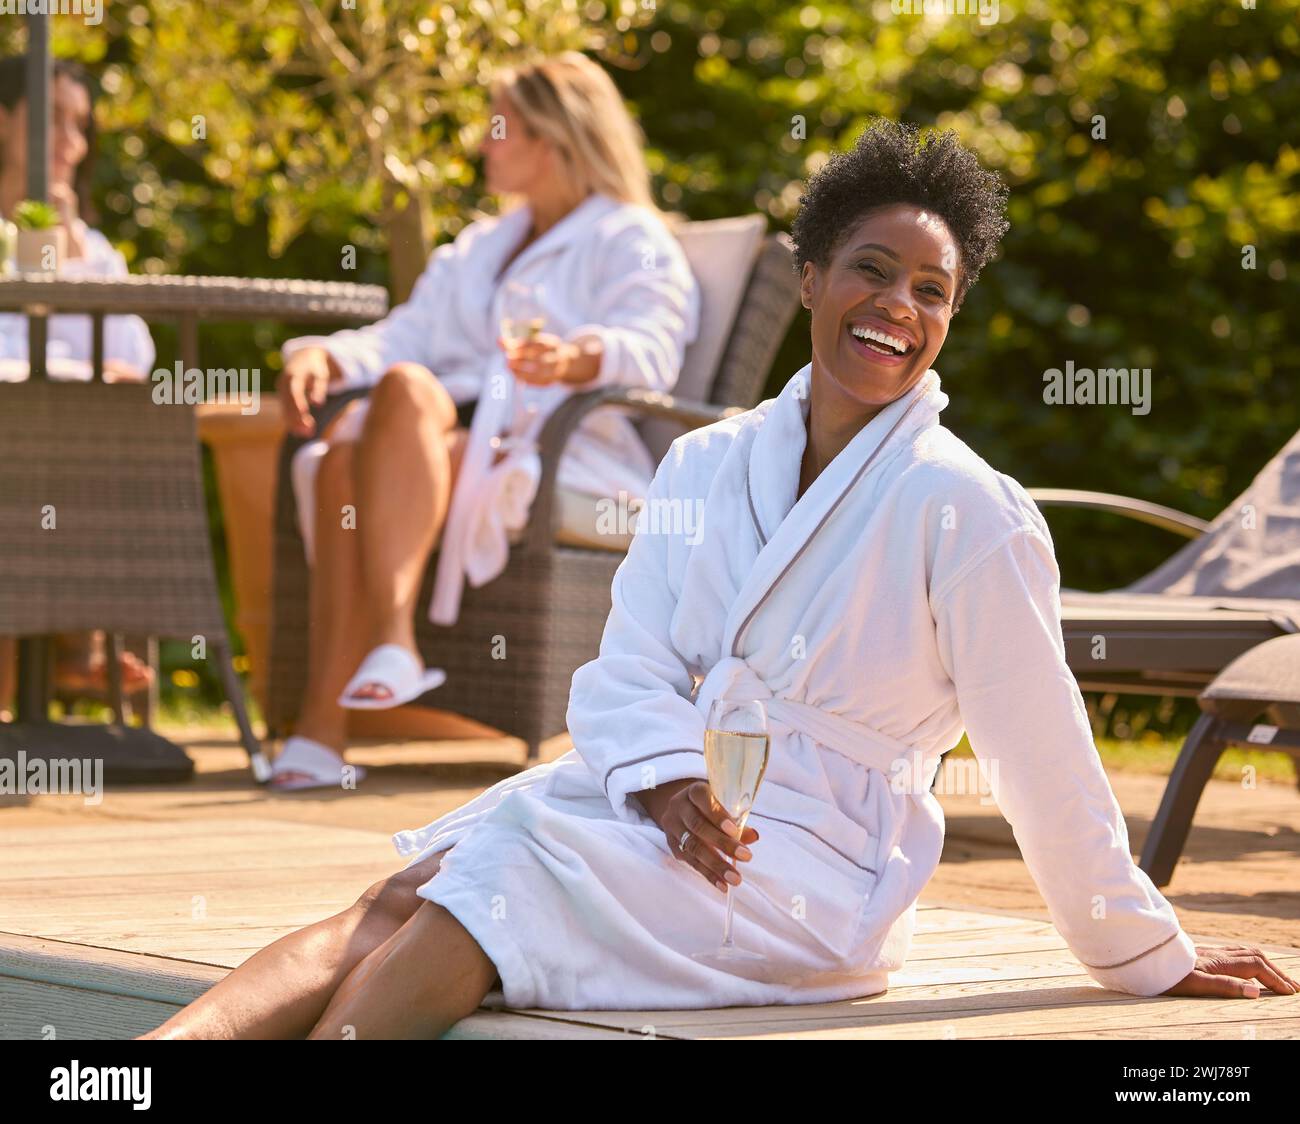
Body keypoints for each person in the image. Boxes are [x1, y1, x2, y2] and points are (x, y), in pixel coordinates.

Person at [139, 118, 1297, 1040]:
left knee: (483, 893)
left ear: (950, 317)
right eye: (871, 270)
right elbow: (624, 670)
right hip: (664, 806)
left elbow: (1041, 748)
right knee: (401, 895)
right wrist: (661, 778)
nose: (896, 305)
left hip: (813, 868)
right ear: (809, 279)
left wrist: (1141, 946)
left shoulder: (964, 507)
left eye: (931, 292)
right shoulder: (705, 461)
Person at [267, 51, 701, 791]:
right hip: (438, 429)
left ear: (555, 139)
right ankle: (382, 656)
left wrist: (574, 358)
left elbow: (655, 346)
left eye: (500, 127)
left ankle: (326, 724)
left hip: (551, 436)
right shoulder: (479, 246)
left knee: (355, 451)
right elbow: (404, 335)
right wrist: (328, 360)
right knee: (392, 397)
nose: (483, 143)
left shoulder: (630, 237)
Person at [0, 56, 156, 711]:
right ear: (3, 122)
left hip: (64, 456)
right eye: (53, 120)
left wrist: (73, 253)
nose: (73, 141)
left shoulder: (92, 247)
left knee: (70, 434)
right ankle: (67, 646)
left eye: (81, 124)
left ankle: (57, 648)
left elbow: (132, 358)